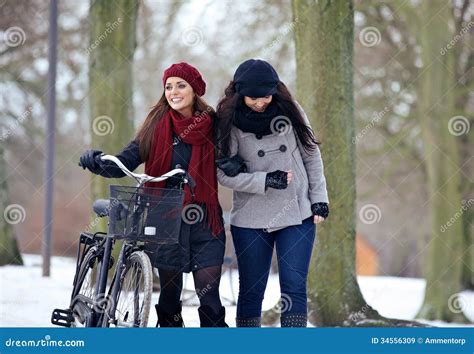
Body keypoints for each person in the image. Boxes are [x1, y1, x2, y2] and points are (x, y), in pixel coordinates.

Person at [79, 62, 228, 327]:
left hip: (205, 222)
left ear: (195, 91)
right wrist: (98, 160)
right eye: (169, 86)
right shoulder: (156, 124)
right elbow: (127, 159)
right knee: (169, 296)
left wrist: (235, 163)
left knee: (210, 297)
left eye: (181, 85)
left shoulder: (213, 125)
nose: (174, 92)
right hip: (165, 217)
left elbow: (231, 154)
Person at [215, 59, 329, 327]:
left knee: (294, 285)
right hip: (251, 218)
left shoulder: (291, 110)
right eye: (253, 98)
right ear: (240, 93)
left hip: (297, 212)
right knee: (252, 289)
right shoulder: (227, 121)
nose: (260, 103)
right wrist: (264, 180)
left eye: (266, 96)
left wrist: (320, 199)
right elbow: (221, 173)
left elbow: (311, 154)